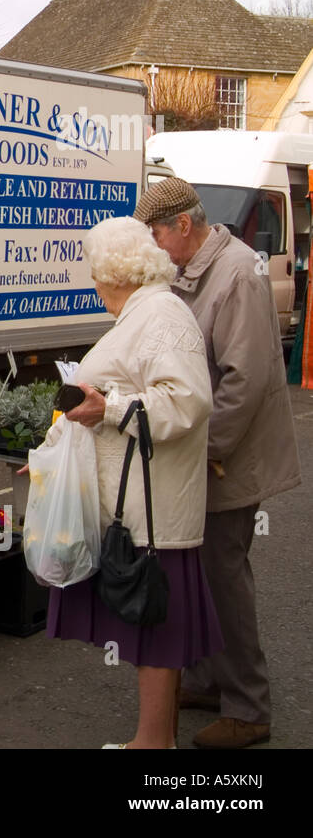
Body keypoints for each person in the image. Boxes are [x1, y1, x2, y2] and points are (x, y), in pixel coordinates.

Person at [134, 177, 301, 749]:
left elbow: (245, 381)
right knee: (201, 574)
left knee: (224, 579)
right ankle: (208, 679)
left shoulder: (237, 275)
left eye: (156, 233)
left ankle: (250, 707)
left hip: (229, 458)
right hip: (208, 456)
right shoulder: (194, 270)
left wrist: (204, 453)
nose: (152, 246)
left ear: (184, 225)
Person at [46, 215, 223, 748]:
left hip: (153, 507)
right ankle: (155, 742)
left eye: (96, 274)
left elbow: (188, 401)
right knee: (150, 630)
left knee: (155, 630)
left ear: (114, 273)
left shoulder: (161, 314)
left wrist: (111, 407)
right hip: (143, 502)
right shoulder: (147, 312)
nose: (94, 285)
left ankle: (152, 746)